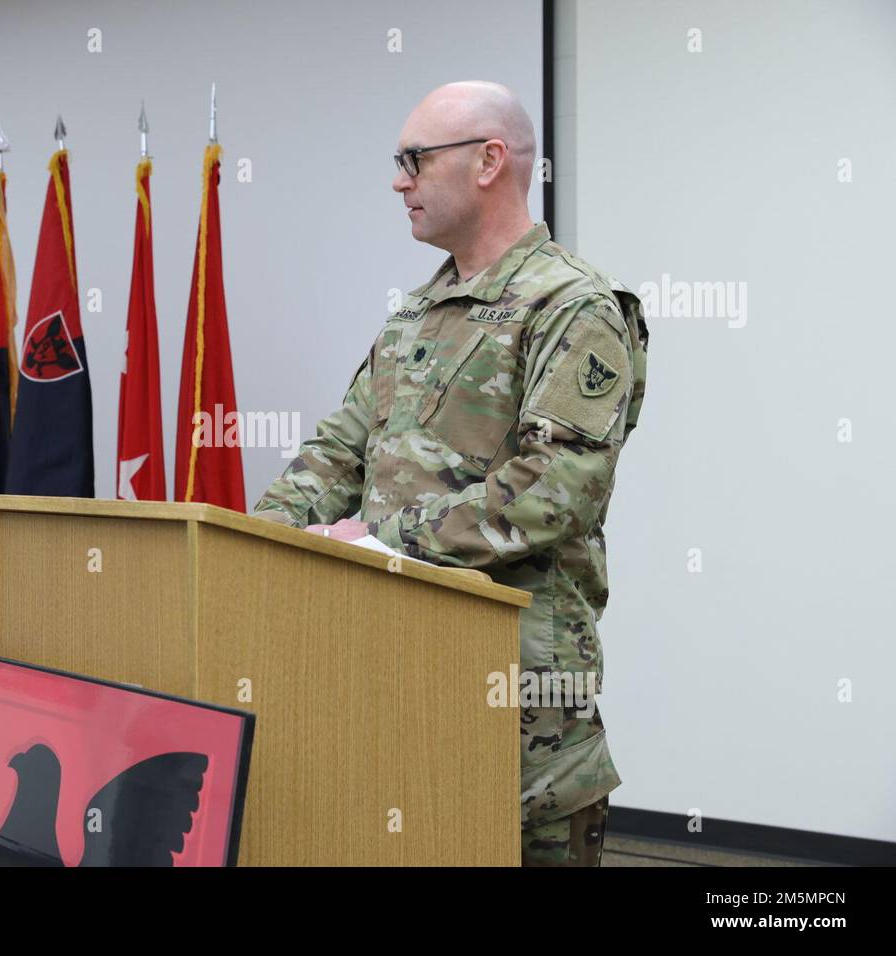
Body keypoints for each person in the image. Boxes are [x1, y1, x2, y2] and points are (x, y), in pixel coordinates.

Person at [251, 81, 650, 866]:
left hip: (516, 713)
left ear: (488, 162)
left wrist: (382, 540)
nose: (398, 180)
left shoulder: (573, 307)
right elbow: (338, 452)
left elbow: (552, 489)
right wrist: (250, 543)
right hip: (391, 689)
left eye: (414, 159)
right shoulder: (416, 315)